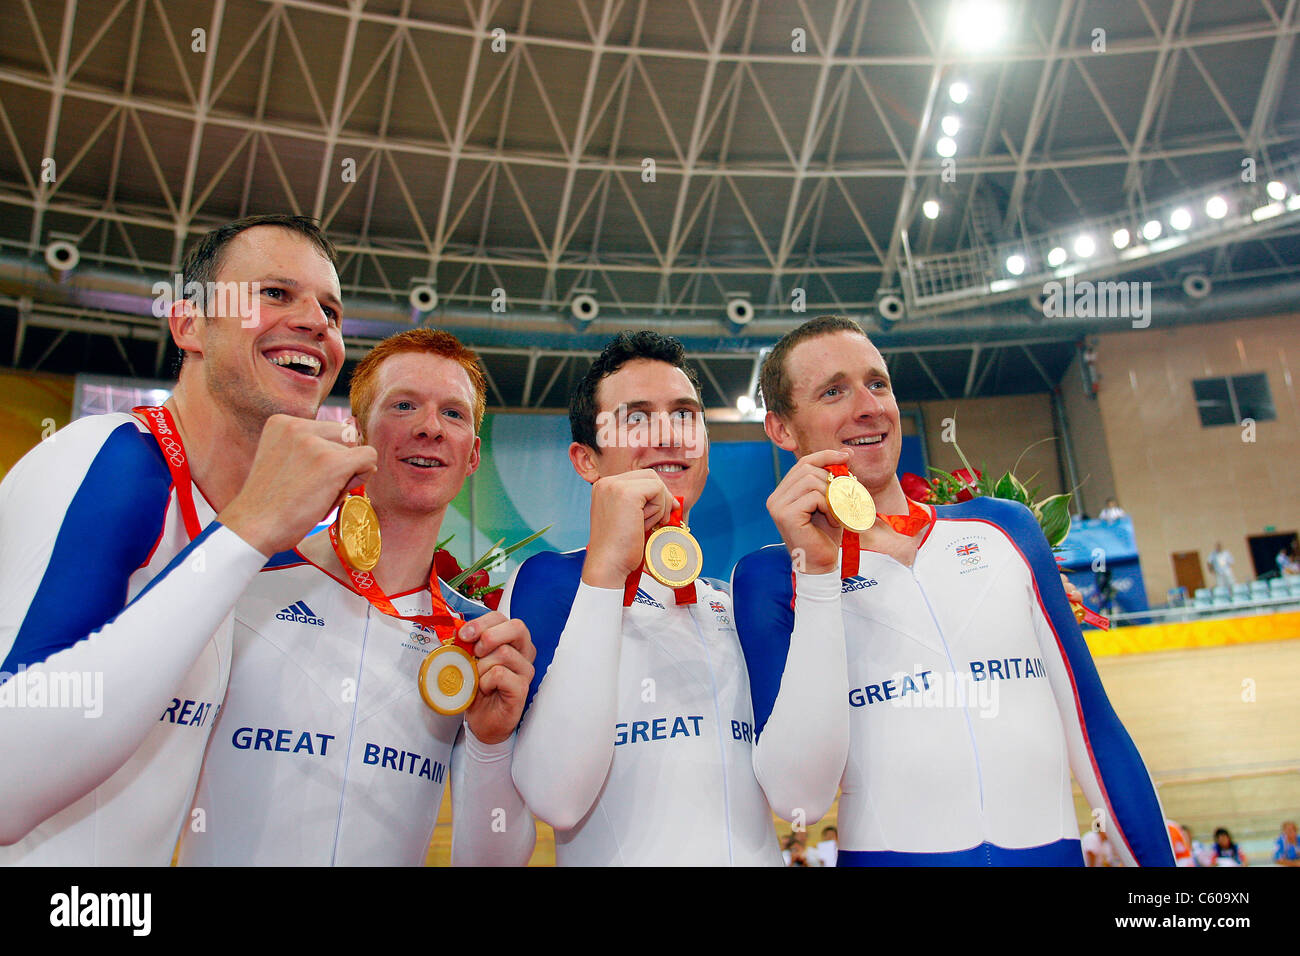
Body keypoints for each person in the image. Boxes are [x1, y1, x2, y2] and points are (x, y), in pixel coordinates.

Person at [0, 215, 376, 865]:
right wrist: (247, 531)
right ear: (189, 324)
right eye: (276, 293)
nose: (318, 322)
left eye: (332, 310)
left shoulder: (234, 525)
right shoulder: (110, 462)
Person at [733, 315, 1174, 867]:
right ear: (781, 429)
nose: (868, 405)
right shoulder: (773, 578)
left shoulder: (1003, 530)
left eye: (878, 383)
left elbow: (1096, 732)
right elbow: (798, 798)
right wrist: (818, 578)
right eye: (833, 391)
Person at [178, 330, 536, 865]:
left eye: (454, 415)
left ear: (472, 457)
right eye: (404, 405)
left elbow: (492, 860)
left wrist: (490, 744)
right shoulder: (247, 574)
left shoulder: (475, 643)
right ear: (357, 432)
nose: (429, 428)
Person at [505, 331, 848, 866]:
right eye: (636, 418)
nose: (669, 435)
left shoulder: (735, 603)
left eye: (686, 415)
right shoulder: (549, 583)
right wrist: (603, 576)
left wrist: (822, 577)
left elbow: (803, 800)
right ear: (585, 460)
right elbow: (558, 800)